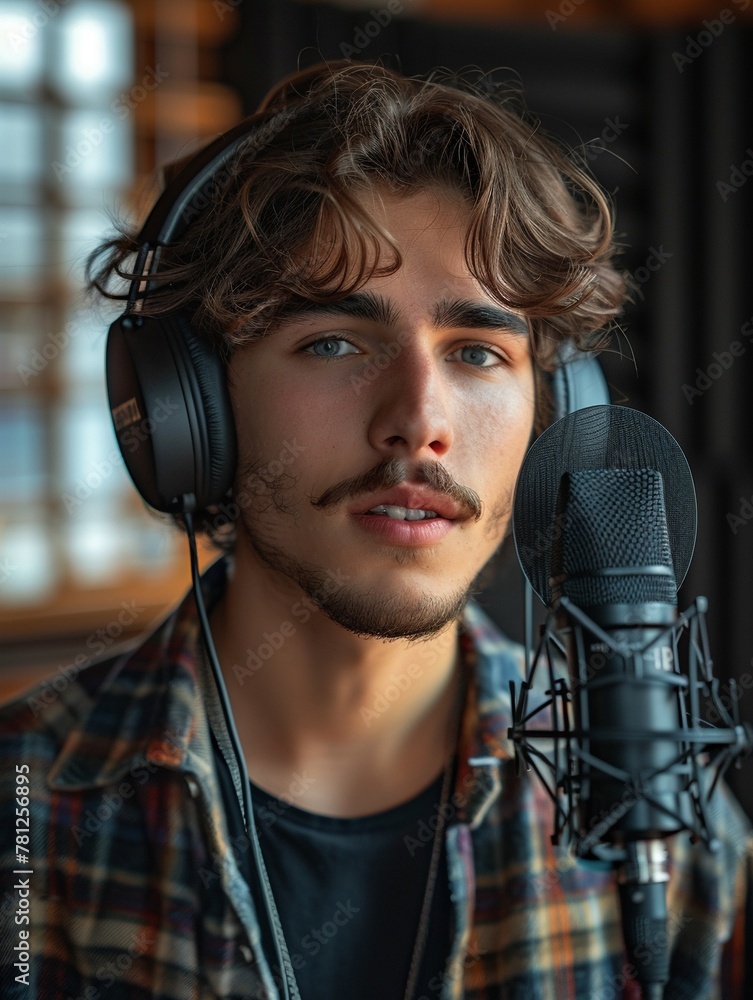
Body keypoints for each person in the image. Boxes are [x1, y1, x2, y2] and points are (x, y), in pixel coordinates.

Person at [0, 59, 750, 1000]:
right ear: (193, 415)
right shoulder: (23, 807)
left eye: (476, 352)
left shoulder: (667, 823)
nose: (419, 419)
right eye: (334, 343)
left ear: (552, 418)